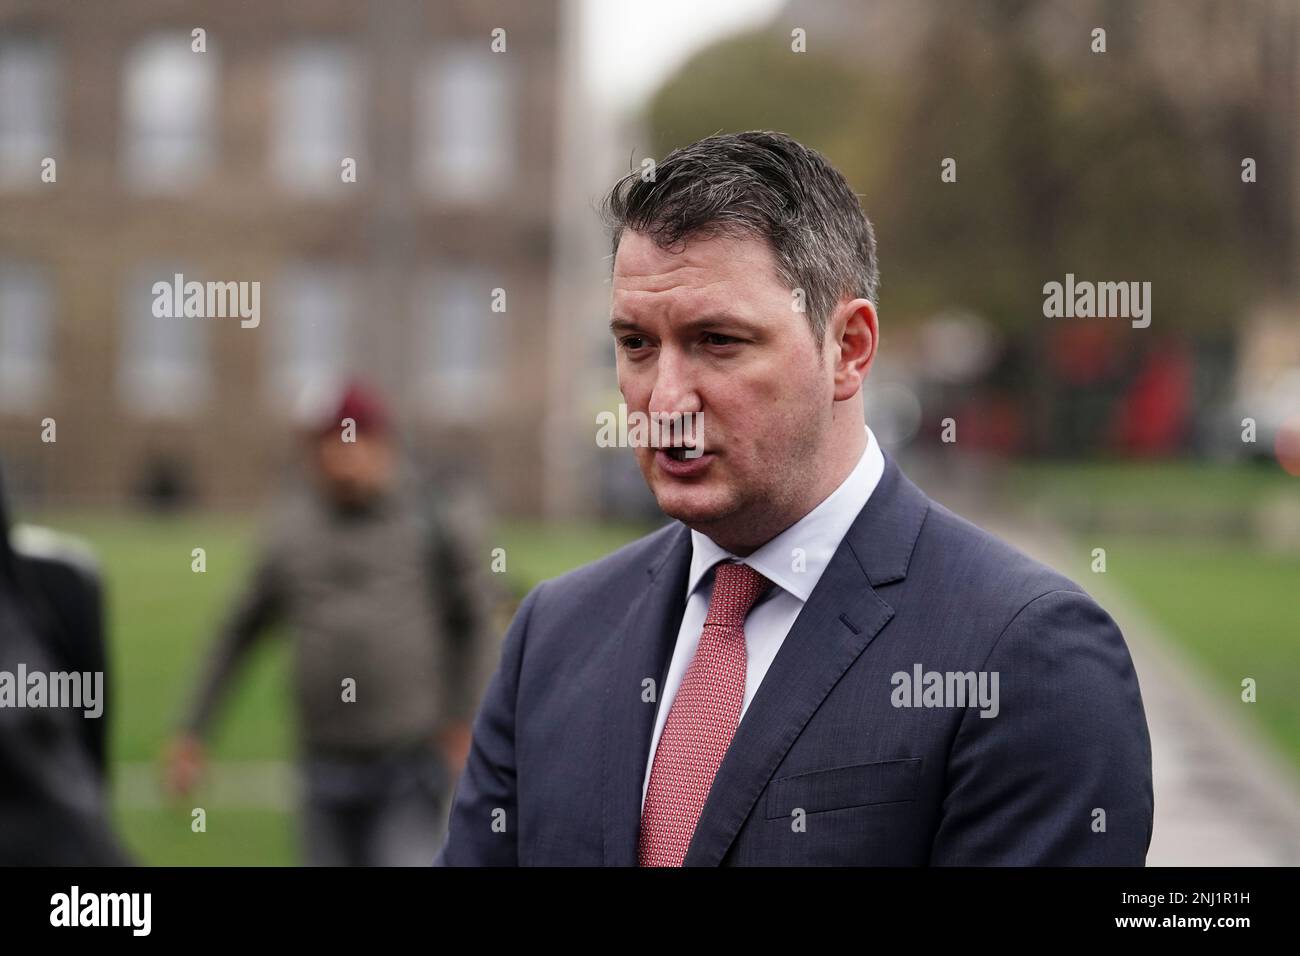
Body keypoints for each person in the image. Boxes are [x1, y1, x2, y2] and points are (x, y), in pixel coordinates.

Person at [436, 131, 1154, 866]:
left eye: (717, 340)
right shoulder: (553, 636)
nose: (665, 397)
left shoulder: (1029, 656)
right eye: (637, 344)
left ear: (848, 347)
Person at [164, 381, 496, 866]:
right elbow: (239, 631)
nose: (342, 460)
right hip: (322, 766)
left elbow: (475, 619)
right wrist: (193, 732)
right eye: (327, 446)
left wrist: (466, 719)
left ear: (382, 445)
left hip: (408, 766)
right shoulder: (290, 528)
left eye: (354, 442)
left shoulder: (430, 519)